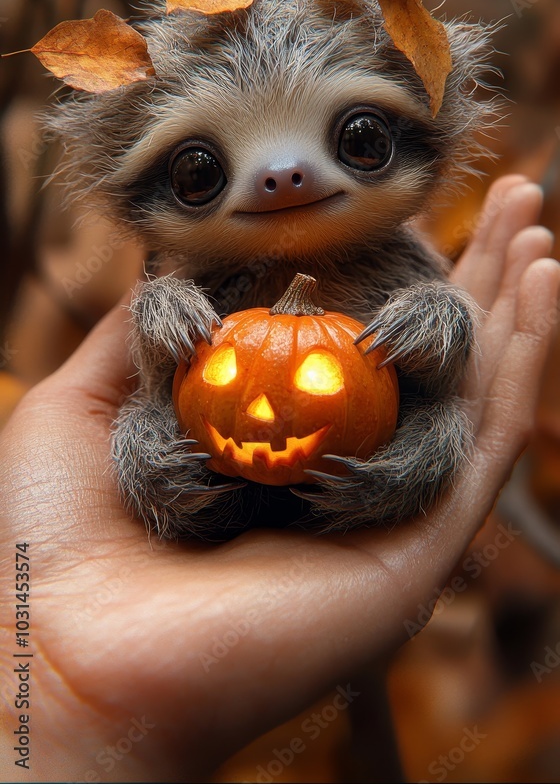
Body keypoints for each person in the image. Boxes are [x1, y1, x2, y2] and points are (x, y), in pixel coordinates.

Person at [0, 174, 558, 783]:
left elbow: (442, 357)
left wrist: (436, 319)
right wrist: (48, 698)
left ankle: (387, 488)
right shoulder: (191, 264)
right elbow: (161, 369)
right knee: (139, 430)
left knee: (447, 424)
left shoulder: (398, 250)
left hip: (360, 470)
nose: (282, 180)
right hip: (205, 484)